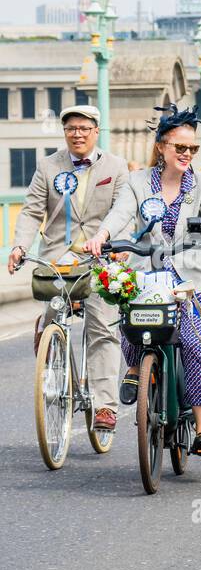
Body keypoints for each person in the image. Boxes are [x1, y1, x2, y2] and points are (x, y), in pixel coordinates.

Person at [88, 103, 201, 456]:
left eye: (193, 149)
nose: (187, 154)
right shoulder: (138, 182)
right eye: (180, 147)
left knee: (198, 345)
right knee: (134, 321)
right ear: (162, 147)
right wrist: (102, 236)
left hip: (193, 279)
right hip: (149, 274)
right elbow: (121, 212)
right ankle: (137, 366)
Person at [9, 104, 129, 433]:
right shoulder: (48, 166)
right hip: (57, 258)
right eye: (70, 129)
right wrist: (19, 246)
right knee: (53, 314)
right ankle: (47, 330)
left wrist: (117, 247)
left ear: (96, 131)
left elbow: (124, 211)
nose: (77, 134)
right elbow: (33, 211)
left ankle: (105, 405)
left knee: (103, 327)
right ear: (64, 132)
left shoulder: (116, 167)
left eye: (83, 129)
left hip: (101, 256)